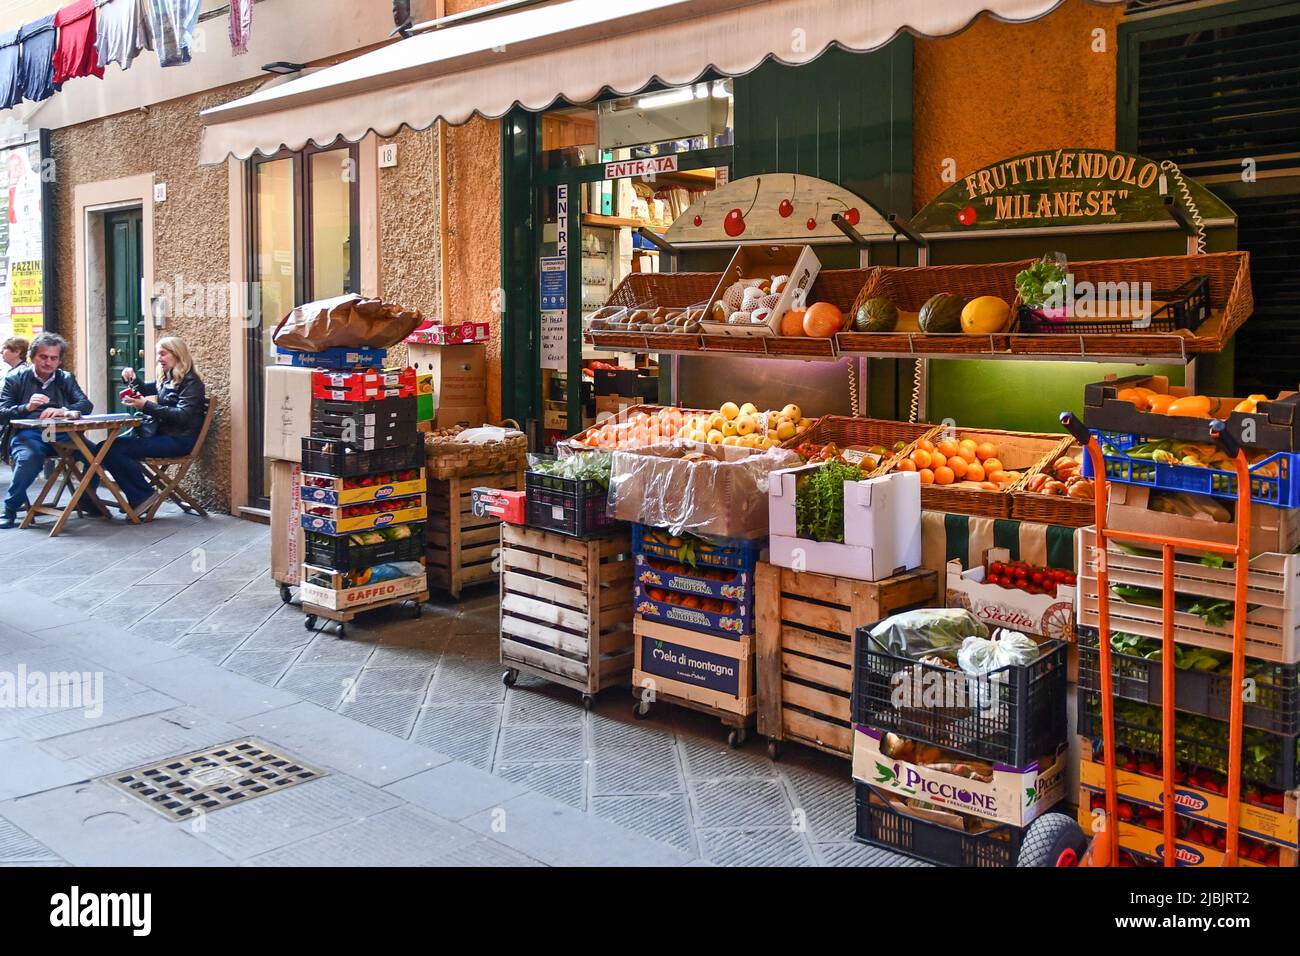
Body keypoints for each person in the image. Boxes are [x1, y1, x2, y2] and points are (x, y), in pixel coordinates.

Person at [101, 336, 206, 512]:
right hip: (163, 436)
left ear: (177, 355)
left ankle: (143, 496)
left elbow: (183, 416)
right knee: (105, 447)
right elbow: (142, 389)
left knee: (114, 449)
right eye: (159, 354)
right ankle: (139, 496)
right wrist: (130, 378)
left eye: (163, 354)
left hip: (179, 440)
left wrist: (146, 405)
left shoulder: (191, 383)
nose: (159, 359)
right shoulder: (167, 378)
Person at [0, 332, 93, 528]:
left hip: (62, 433)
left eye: (54, 358)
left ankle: (87, 501)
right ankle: (10, 509)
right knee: (29, 459)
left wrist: (64, 410)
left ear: (59, 360)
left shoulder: (65, 378)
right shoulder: (15, 378)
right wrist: (27, 408)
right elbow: (2, 413)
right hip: (28, 434)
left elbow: (86, 404)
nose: (48, 363)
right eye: (43, 357)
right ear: (32, 357)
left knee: (98, 455)